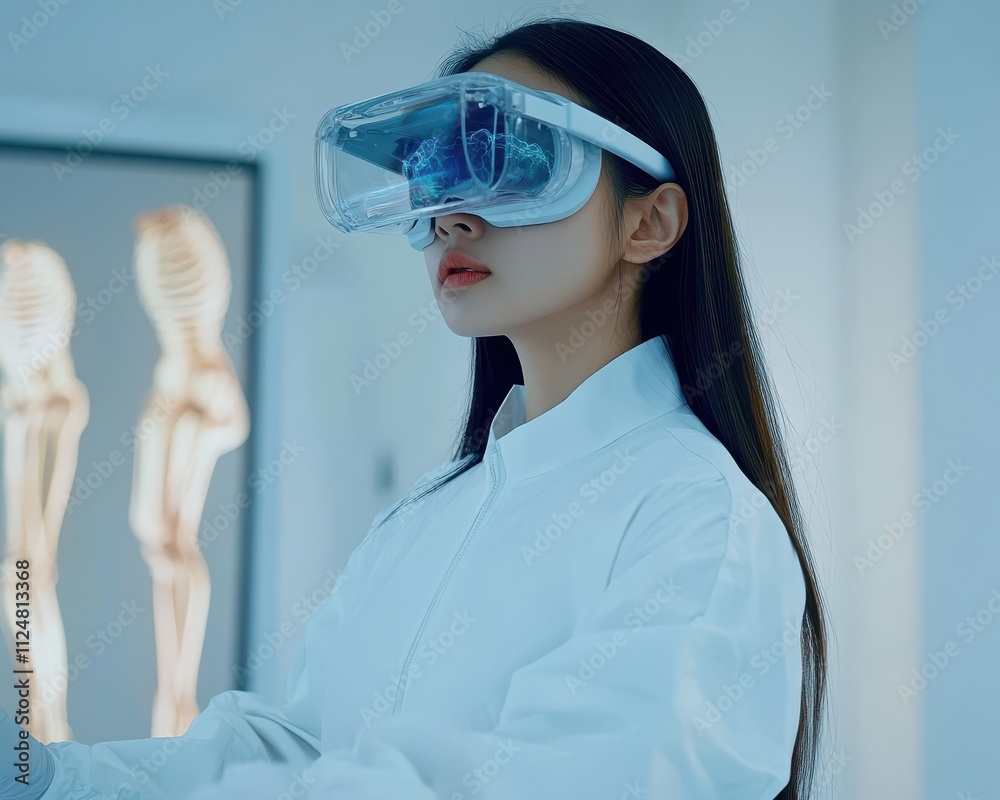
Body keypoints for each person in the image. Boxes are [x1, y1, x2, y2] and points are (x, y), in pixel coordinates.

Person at [0, 15, 828, 800]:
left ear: (651, 222)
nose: (450, 217)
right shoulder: (426, 517)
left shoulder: (697, 522)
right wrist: (45, 776)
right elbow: (301, 745)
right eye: (437, 172)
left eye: (508, 156)